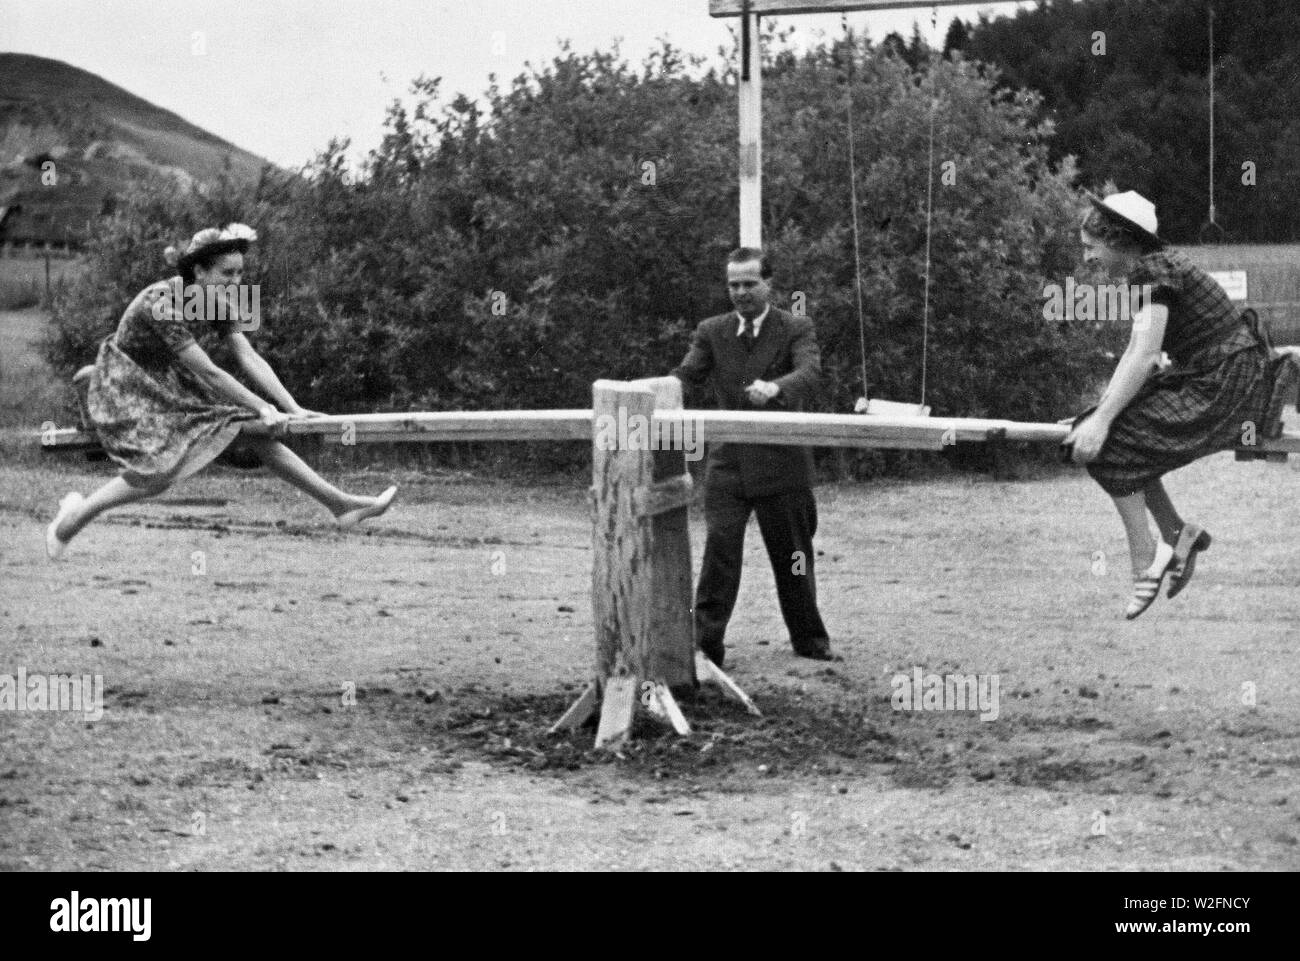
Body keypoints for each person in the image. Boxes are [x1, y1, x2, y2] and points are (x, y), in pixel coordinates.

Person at [46, 223, 396, 559]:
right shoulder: (161, 302)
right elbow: (211, 373)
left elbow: (247, 355)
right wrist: (262, 406)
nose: (235, 282)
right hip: (123, 384)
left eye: (240, 274)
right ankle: (72, 520)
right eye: (227, 274)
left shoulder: (213, 300)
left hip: (166, 384)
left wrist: (292, 406)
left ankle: (341, 506)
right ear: (198, 271)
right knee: (159, 471)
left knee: (252, 431)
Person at [1064, 191, 1300, 618]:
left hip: (1229, 383)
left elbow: (1144, 355)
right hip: (1219, 374)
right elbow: (1138, 350)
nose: (1088, 259)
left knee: (1109, 447)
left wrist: (1102, 421)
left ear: (1119, 240)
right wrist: (1099, 414)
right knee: (1106, 431)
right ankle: (1178, 534)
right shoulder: (1155, 267)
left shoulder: (1153, 272)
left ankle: (1146, 559)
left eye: (1091, 247)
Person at [670, 246, 833, 666]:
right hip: (730, 463)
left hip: (783, 463)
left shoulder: (796, 327)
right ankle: (704, 646)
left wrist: (776, 389)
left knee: (793, 556)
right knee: (720, 549)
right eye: (733, 285)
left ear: (769, 285)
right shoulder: (713, 330)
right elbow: (685, 377)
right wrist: (644, 391)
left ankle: (810, 640)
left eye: (749, 283)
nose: (740, 292)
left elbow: (810, 373)